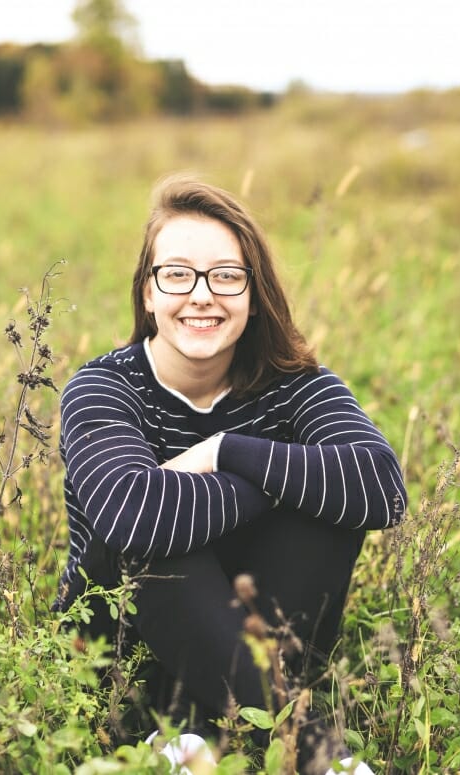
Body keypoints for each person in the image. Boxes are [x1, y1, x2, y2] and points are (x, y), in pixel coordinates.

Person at [54, 175, 406, 774]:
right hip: (123, 653)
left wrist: (224, 450)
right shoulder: (103, 388)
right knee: (156, 534)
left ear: (252, 290)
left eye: (225, 275)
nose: (201, 295)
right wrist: (276, 483)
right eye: (177, 274)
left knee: (323, 517)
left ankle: (198, 738)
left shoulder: (297, 387)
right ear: (147, 292)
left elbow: (380, 486)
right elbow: (135, 514)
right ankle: (317, 755)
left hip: (252, 642)